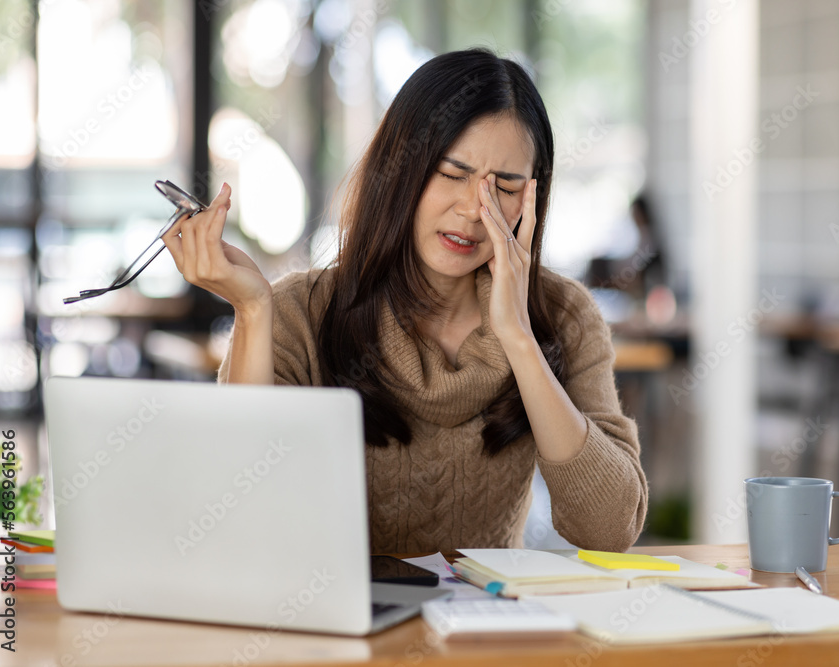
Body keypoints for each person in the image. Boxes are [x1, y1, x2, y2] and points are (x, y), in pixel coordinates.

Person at [162, 48, 647, 553]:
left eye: (503, 186)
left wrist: (519, 338)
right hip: (328, 622)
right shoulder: (299, 313)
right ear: (400, 169)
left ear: (531, 198)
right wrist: (253, 311)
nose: (472, 210)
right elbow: (240, 512)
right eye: (451, 174)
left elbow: (608, 529)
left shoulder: (564, 314)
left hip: (486, 624)